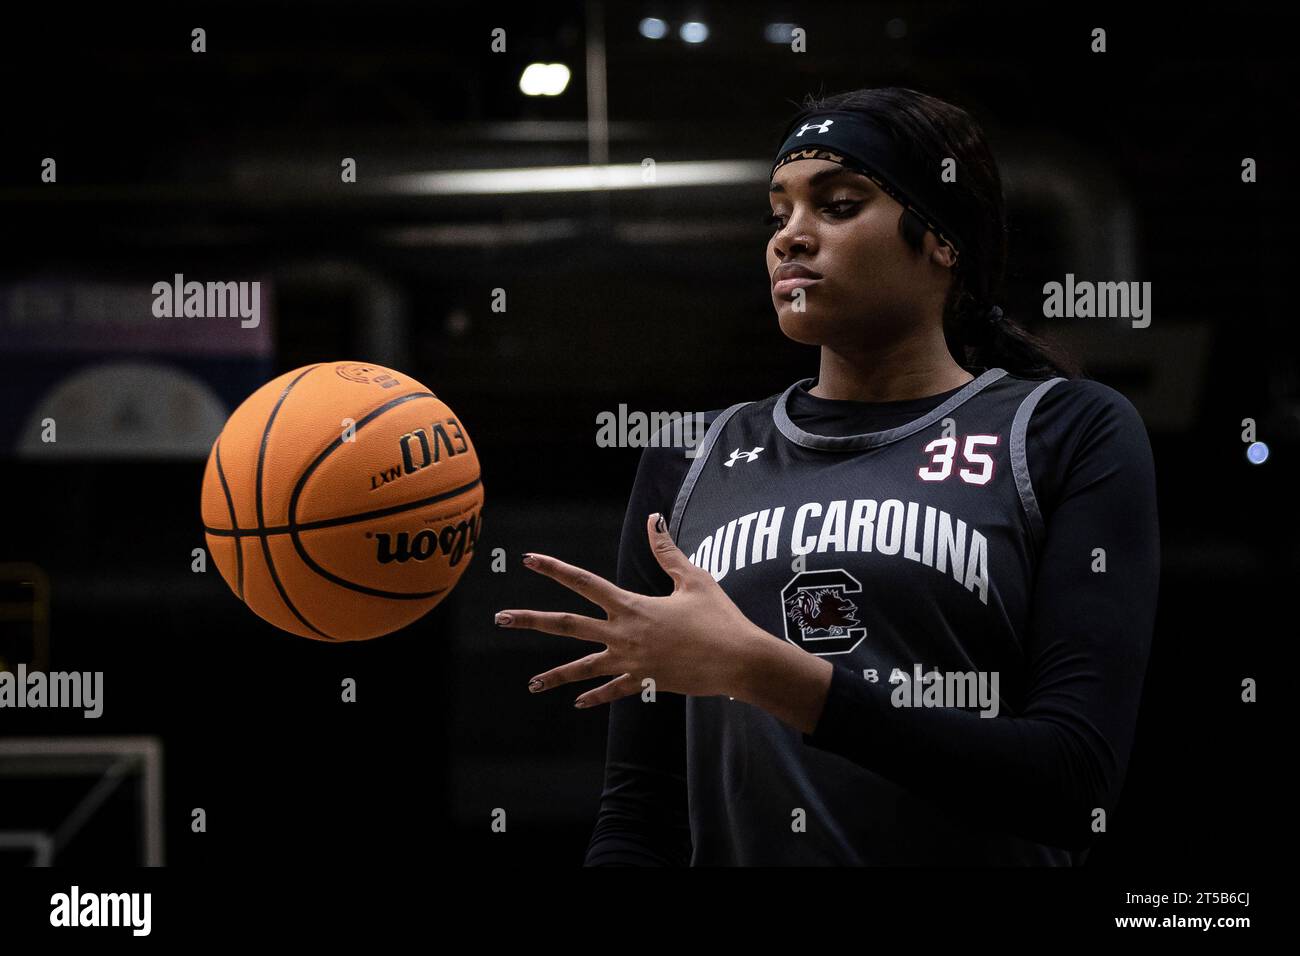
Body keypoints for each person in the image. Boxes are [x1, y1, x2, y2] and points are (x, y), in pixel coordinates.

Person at [494, 87, 1160, 865]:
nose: (790, 239)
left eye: (838, 206)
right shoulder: (690, 457)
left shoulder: (1064, 430)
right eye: (779, 215)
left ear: (942, 240)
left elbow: (1072, 785)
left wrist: (763, 671)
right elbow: (641, 810)